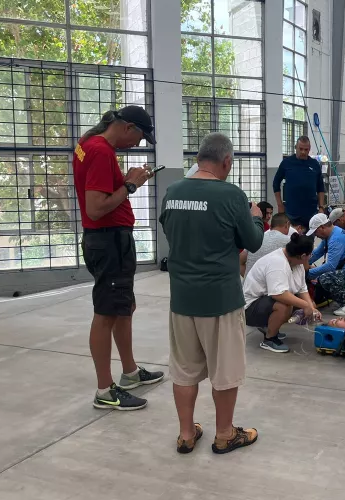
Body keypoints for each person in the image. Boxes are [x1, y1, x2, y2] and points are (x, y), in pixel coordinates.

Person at [159, 132, 264, 455]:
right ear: (226, 161)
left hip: (182, 298)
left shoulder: (172, 192)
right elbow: (253, 241)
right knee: (225, 369)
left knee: (184, 368)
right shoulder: (230, 196)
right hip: (220, 298)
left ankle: (187, 433)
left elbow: (174, 232)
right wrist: (257, 217)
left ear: (197, 159)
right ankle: (224, 433)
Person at [73, 105, 164, 411]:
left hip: (111, 238)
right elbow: (96, 208)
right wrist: (130, 185)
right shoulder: (100, 151)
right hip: (108, 239)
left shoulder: (89, 143)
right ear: (127, 127)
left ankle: (129, 372)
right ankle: (104, 390)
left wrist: (124, 181)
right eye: (140, 137)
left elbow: (98, 193)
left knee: (124, 306)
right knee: (107, 312)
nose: (139, 144)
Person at [243, 234, 319, 353]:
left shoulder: (297, 263)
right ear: (303, 255)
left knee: (310, 304)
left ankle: (271, 326)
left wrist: (311, 308)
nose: (310, 258)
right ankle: (269, 339)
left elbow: (302, 289)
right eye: (310, 255)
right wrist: (305, 305)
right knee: (284, 305)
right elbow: (279, 294)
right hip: (250, 308)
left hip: (265, 301)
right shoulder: (277, 262)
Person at [307, 213, 345, 314]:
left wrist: (307, 273)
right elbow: (317, 253)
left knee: (324, 278)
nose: (315, 235)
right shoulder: (333, 233)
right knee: (319, 273)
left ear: (322, 227)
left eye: (315, 232)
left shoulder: (336, 238)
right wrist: (303, 262)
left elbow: (330, 266)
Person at [273, 136, 325, 229]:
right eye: (300, 149)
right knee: (292, 241)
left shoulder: (315, 164)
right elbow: (276, 183)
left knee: (308, 241)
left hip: (310, 212)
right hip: (291, 212)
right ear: (295, 147)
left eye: (306, 149)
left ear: (309, 149)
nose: (303, 152)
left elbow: (320, 187)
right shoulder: (286, 163)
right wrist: (280, 205)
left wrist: (321, 207)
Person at [240, 213, 296, 277]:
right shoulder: (288, 241)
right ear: (287, 224)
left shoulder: (256, 238)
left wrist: (248, 279)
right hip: (271, 285)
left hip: (248, 286)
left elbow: (240, 261)